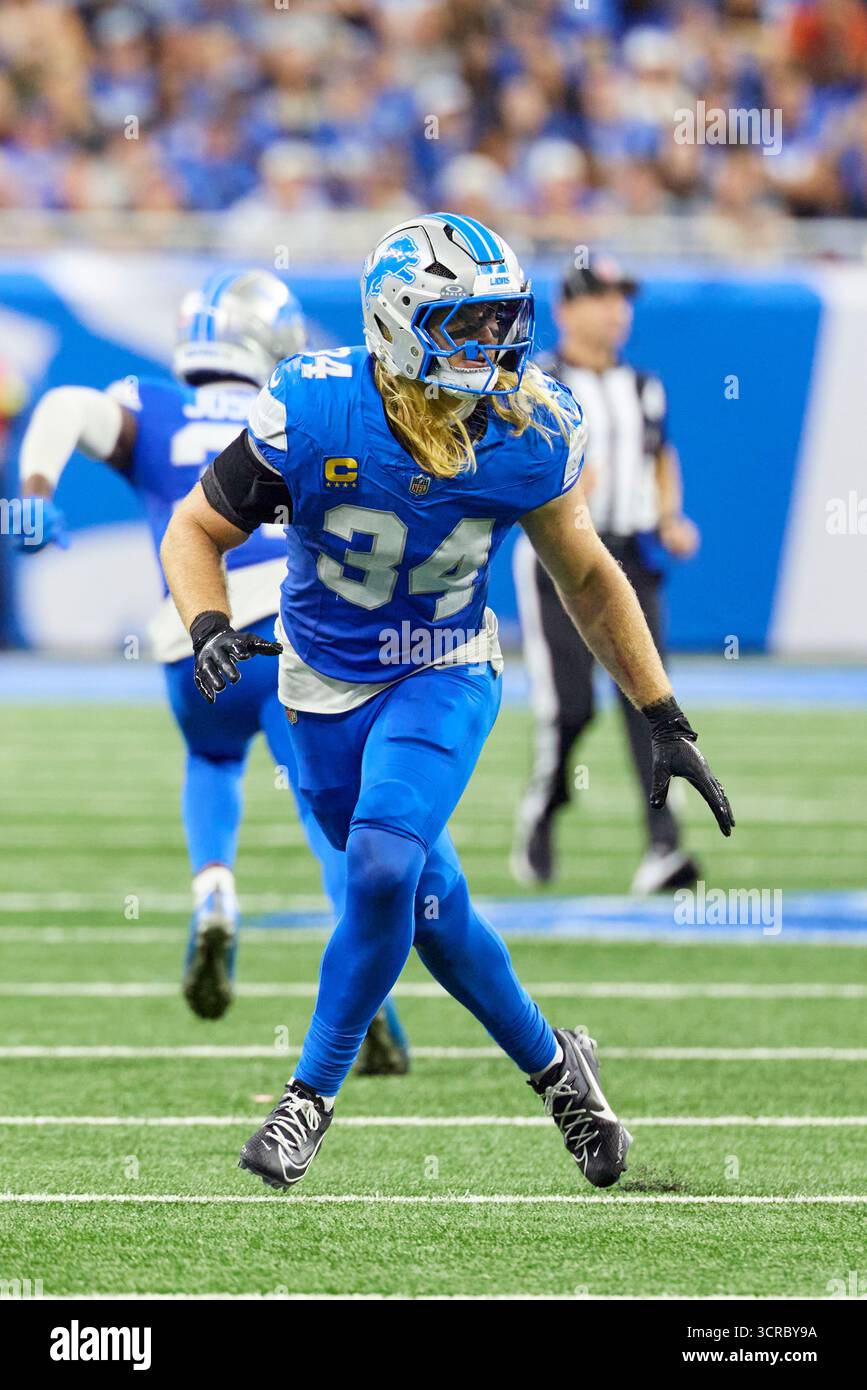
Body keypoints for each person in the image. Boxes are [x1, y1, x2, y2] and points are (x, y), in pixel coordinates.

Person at [159, 213, 734, 1193]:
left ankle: (308, 1097)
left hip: (445, 664)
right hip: (320, 682)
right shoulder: (313, 405)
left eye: (502, 321)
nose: (496, 347)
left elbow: (589, 577)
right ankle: (562, 1071)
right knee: (429, 906)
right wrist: (210, 624)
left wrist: (661, 712)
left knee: (381, 863)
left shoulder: (527, 427)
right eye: (467, 326)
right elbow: (194, 528)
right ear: (399, 328)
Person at [13, 266, 409, 1072]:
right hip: (292, 635)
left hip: (193, 636)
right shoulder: (294, 404)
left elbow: (60, 405)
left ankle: (215, 893)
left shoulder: (155, 402)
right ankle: (368, 1000)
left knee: (211, 756)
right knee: (327, 812)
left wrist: (34, 488)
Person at [511, 256, 702, 894]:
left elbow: (659, 452)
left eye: (622, 297)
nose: (616, 309)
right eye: (601, 297)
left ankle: (663, 846)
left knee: (651, 703)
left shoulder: (644, 386)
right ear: (565, 309)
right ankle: (544, 807)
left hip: (632, 555)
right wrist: (555, 484)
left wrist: (670, 514)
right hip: (558, 558)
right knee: (570, 709)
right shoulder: (536, 380)